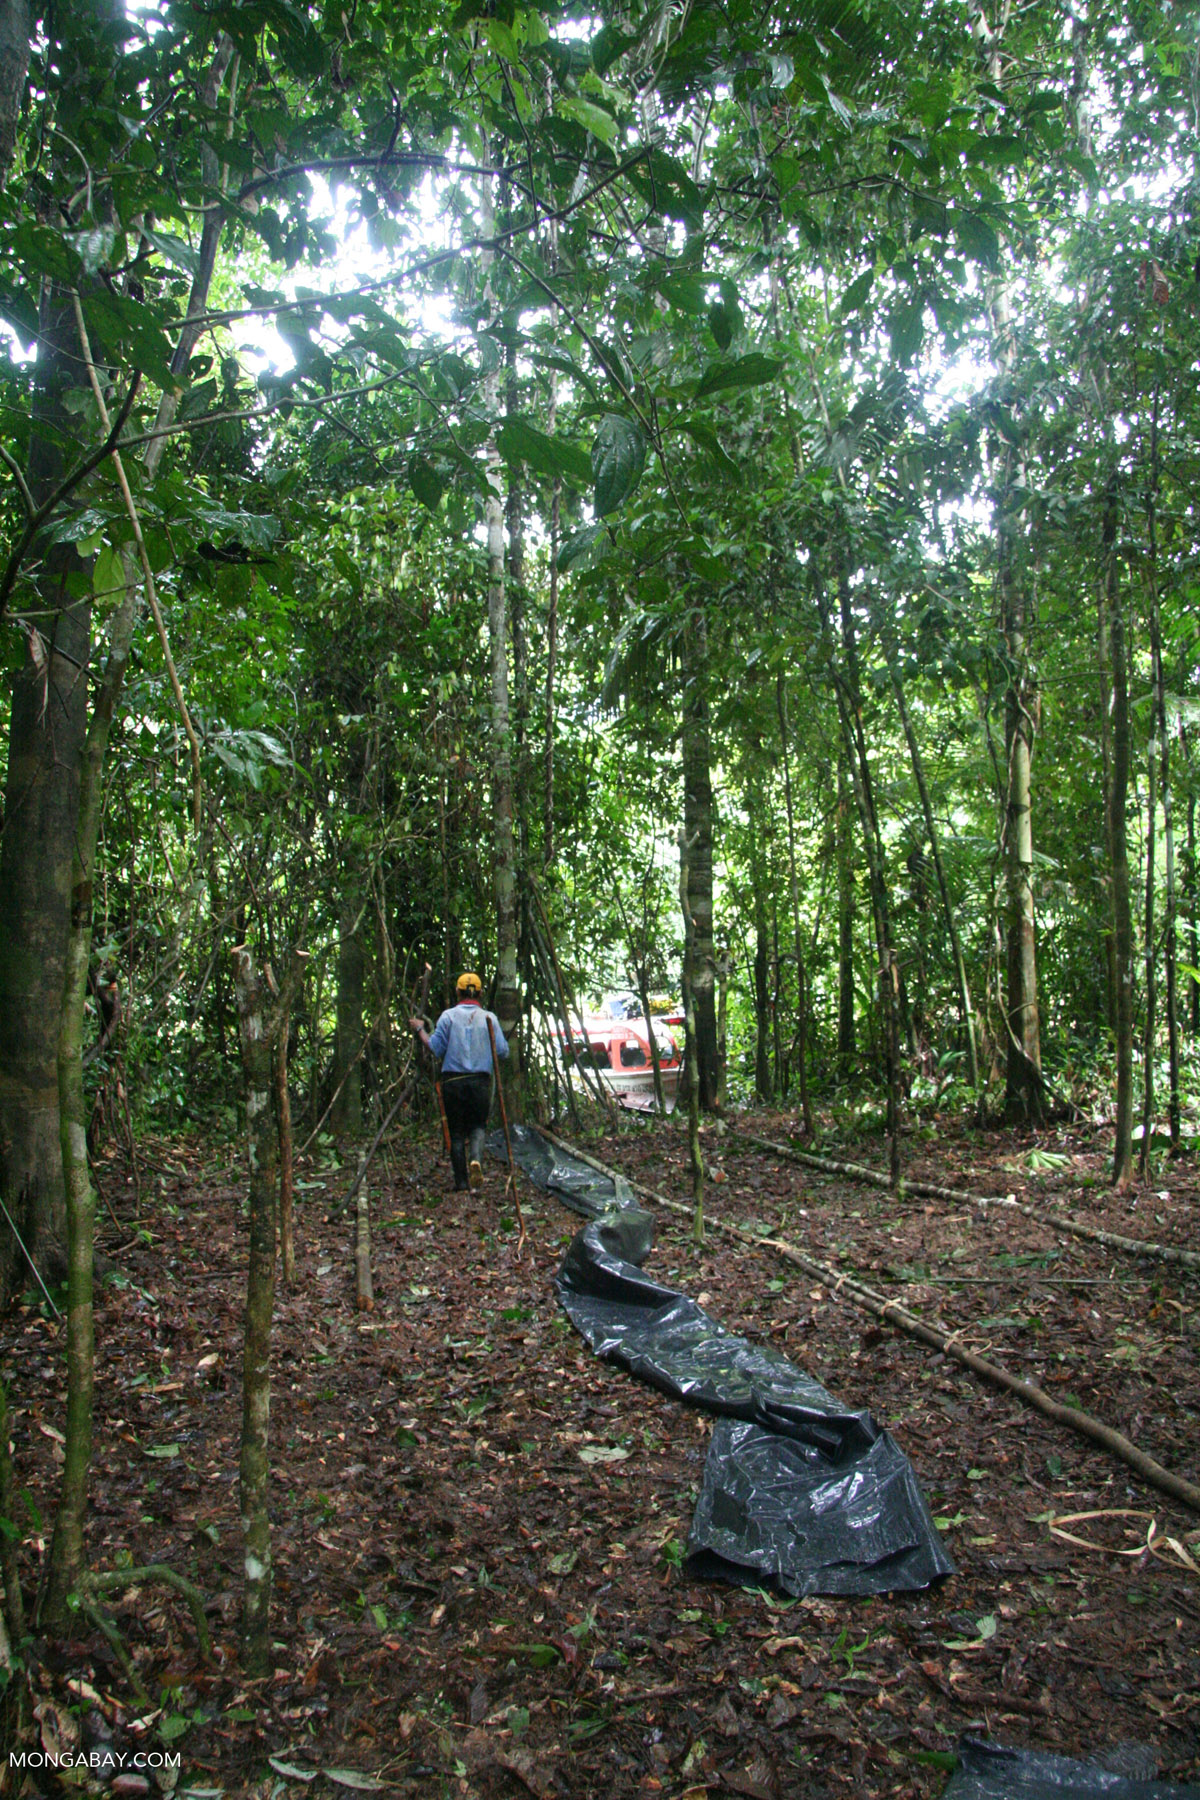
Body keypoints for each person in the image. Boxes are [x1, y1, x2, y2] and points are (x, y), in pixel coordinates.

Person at [409, 973, 508, 1192]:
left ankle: (461, 1182)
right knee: (478, 1126)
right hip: (480, 1082)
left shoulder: (448, 1017)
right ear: (480, 993)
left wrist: (419, 1029)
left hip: (453, 1082)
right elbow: (502, 1051)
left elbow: (435, 1048)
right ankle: (476, 1160)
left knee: (456, 1133)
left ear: (457, 992)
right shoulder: (489, 1018)